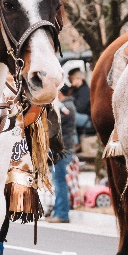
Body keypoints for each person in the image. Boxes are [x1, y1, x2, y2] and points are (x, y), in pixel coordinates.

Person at [48, 84, 79, 223]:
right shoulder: (68, 105)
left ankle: (62, 214)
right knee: (58, 181)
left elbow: (53, 124)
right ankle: (58, 211)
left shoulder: (65, 107)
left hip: (62, 149)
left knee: (59, 181)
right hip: (64, 148)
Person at [67, 67, 91, 134]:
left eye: (71, 79)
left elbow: (80, 108)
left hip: (87, 118)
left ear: (78, 78)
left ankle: (75, 143)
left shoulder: (84, 90)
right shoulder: (76, 89)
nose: (70, 81)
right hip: (81, 115)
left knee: (69, 117)